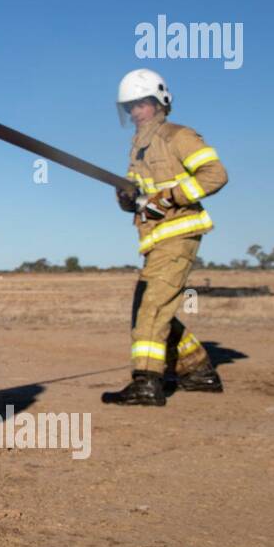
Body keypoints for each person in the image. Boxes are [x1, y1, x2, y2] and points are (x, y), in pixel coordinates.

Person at [104, 69, 229, 407]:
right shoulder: (138, 149)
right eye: (129, 107)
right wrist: (127, 198)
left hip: (179, 234)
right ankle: (197, 369)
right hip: (155, 240)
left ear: (159, 103)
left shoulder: (178, 136)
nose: (134, 113)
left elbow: (216, 174)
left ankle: (146, 382)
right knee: (151, 308)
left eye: (140, 105)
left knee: (152, 308)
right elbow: (138, 198)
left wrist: (170, 196)